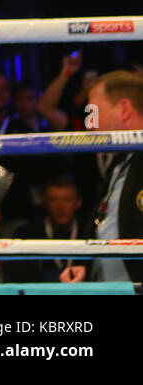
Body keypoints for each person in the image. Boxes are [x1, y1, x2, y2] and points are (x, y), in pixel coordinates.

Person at [63, 71, 143, 284]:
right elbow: (105, 221)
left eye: (93, 113)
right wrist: (84, 265)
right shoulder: (119, 161)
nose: (89, 125)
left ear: (124, 109)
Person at [6, 177, 88, 283]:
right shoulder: (26, 234)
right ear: (44, 202)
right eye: (54, 199)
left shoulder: (88, 232)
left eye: (66, 200)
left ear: (78, 203)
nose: (60, 207)